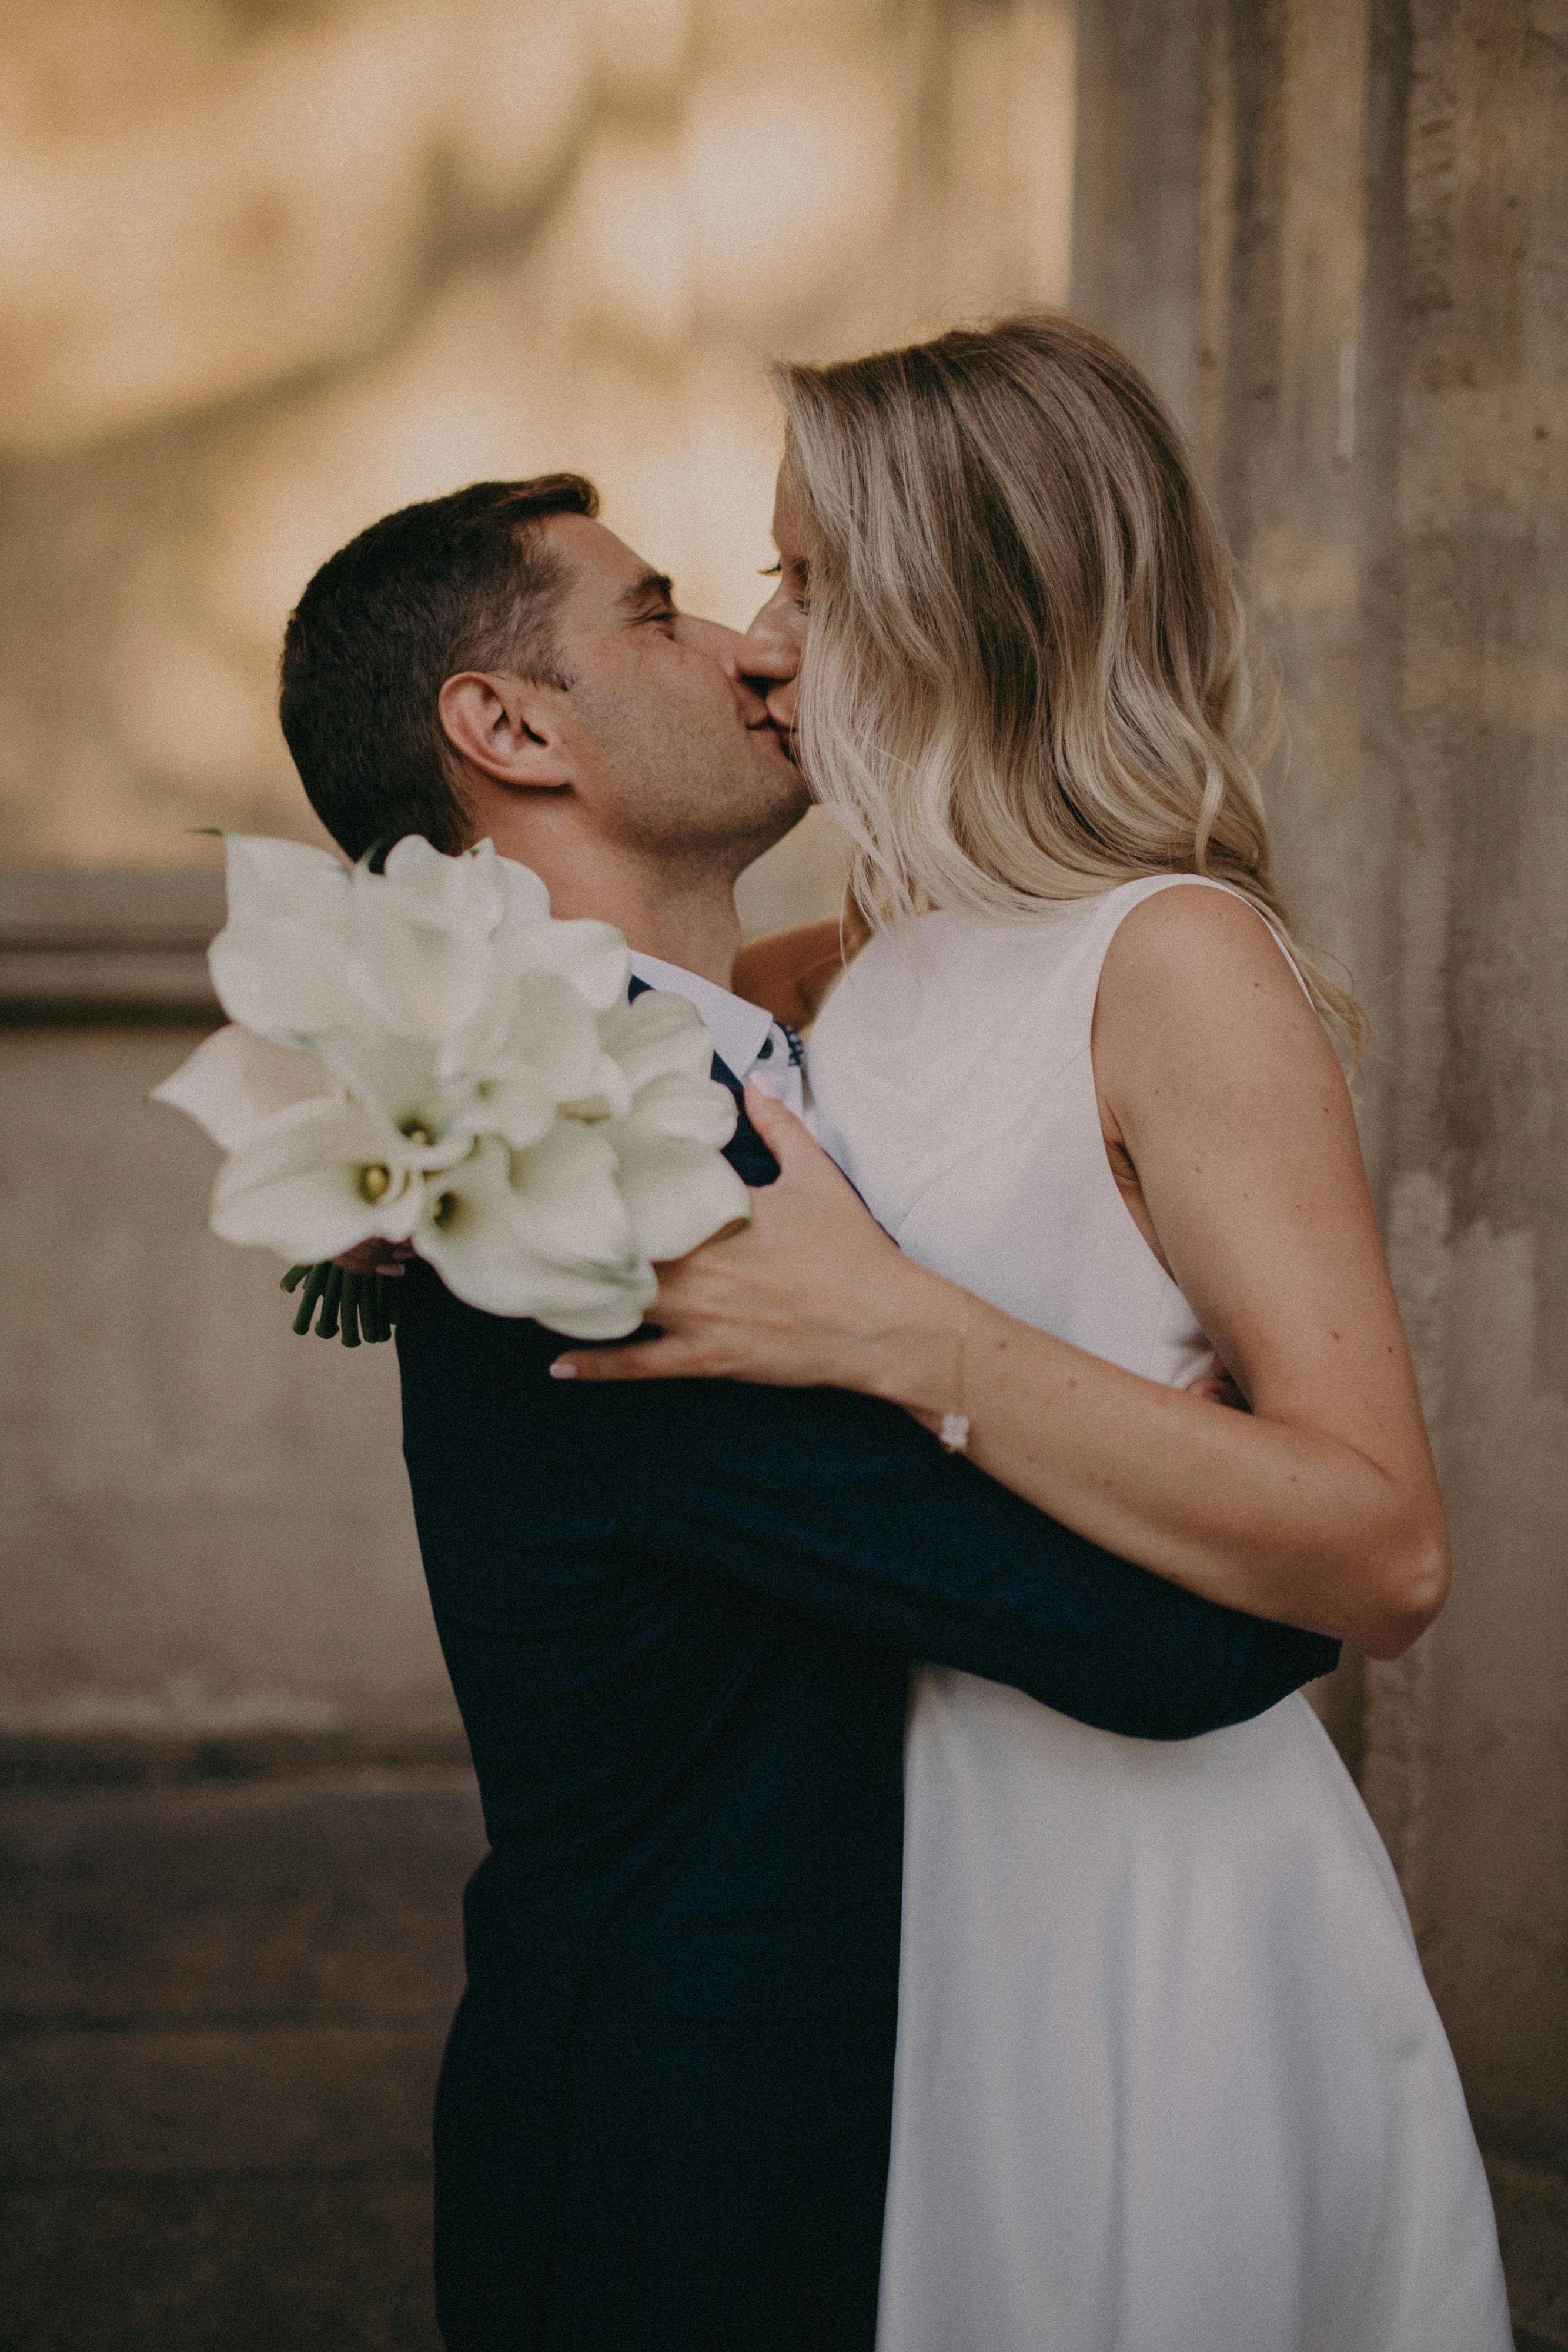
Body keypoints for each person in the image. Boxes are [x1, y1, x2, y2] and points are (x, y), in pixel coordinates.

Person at [275, 473, 1336, 2352]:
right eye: (662, 610)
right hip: (692, 2156)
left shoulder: (709, 1060)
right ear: (508, 729)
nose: (755, 649)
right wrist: (1227, 1429)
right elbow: (1194, 1639)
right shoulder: (589, 1176)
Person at [556, 318, 1513, 2350]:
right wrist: (415, 1163)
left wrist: (914, 1337)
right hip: (899, 1870)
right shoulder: (853, 971)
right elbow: (612, 1016)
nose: (756, 640)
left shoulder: (1169, 957)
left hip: (1143, 1884)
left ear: (963, 610)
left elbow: (1385, 1549)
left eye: (811, 581)